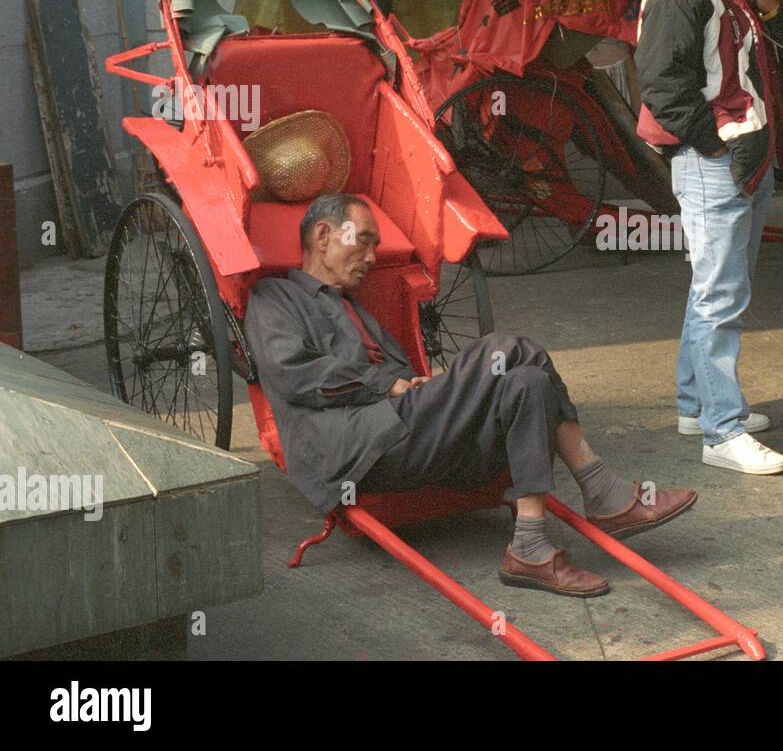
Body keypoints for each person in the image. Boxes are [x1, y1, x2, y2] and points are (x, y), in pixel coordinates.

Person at [243, 193, 698, 597]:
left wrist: (419, 385)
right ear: (322, 236)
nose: (370, 255)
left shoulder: (356, 310)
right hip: (352, 448)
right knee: (506, 348)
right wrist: (388, 383)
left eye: (375, 245)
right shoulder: (276, 297)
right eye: (362, 239)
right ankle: (601, 490)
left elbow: (404, 378)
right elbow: (290, 374)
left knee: (528, 383)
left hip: (406, 431)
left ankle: (530, 546)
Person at [635, 0, 783, 475]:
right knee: (721, 296)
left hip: (748, 155)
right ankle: (721, 432)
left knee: (714, 289)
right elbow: (659, 80)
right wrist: (711, 146)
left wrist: (774, 8)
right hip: (717, 158)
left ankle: (696, 405)